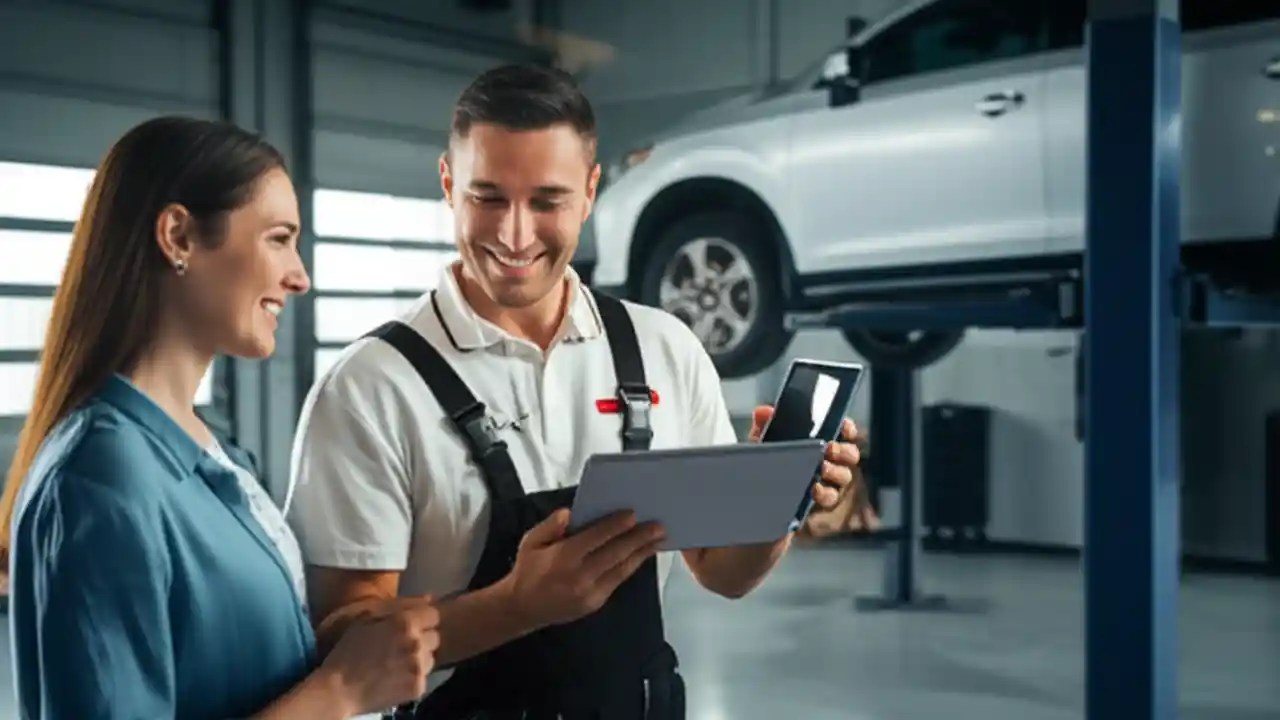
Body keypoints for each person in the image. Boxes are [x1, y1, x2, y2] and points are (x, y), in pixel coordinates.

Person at [286, 64, 865, 720]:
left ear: (590, 192)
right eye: (488, 198)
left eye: (547, 201)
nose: (514, 235)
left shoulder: (664, 349)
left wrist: (774, 501)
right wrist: (516, 606)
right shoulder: (370, 388)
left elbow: (723, 573)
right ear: (448, 184)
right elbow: (343, 642)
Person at [0, 116, 440, 720]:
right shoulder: (100, 480)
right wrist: (339, 691)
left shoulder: (212, 453)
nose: (300, 276)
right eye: (278, 239)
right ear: (178, 236)